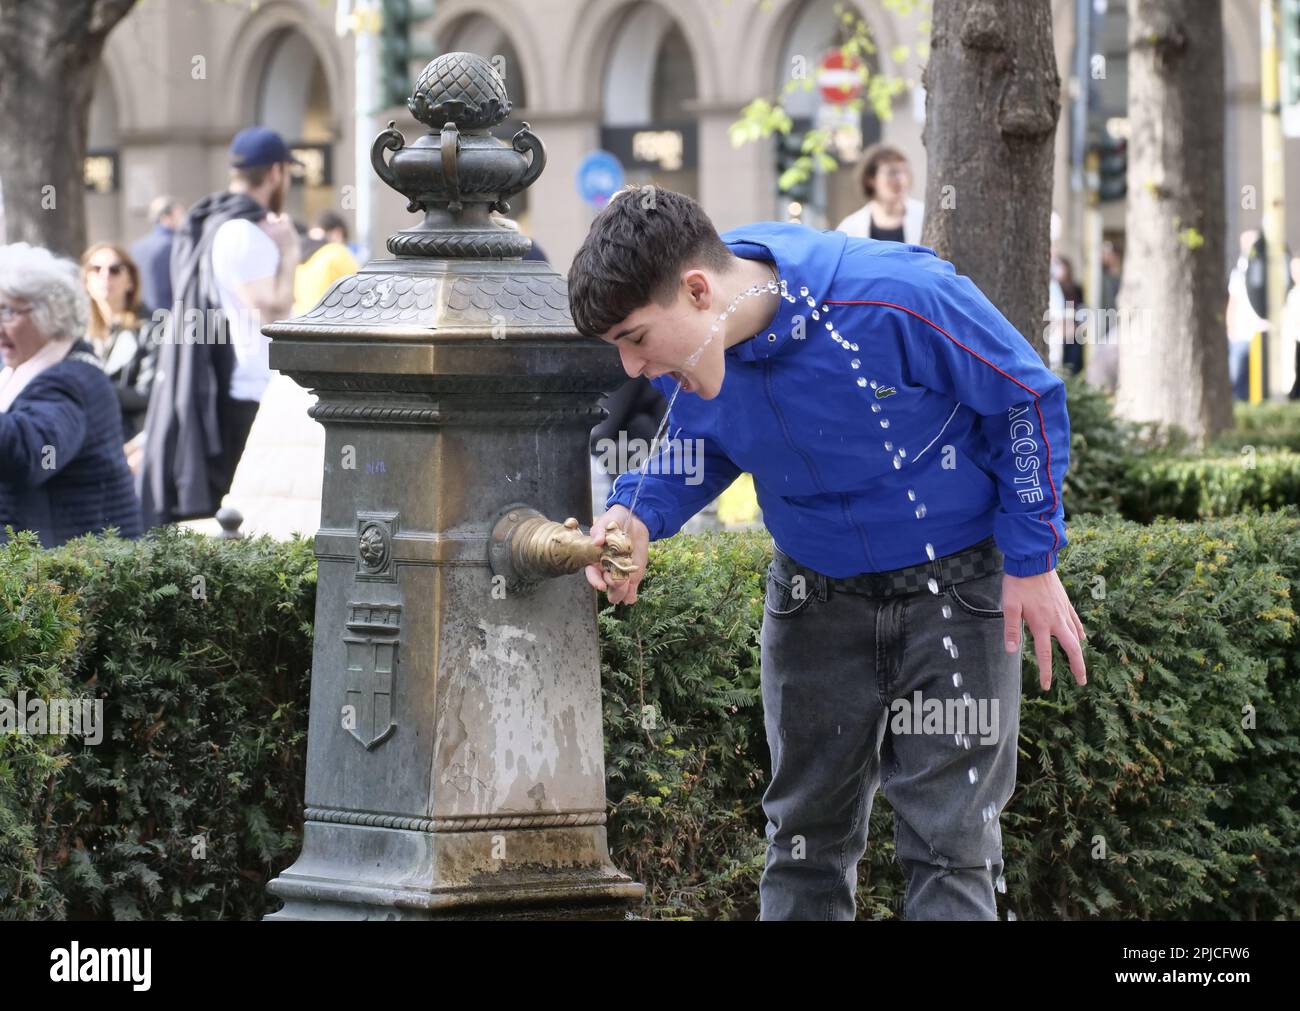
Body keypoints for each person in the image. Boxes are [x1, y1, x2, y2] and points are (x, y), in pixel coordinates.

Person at [568, 187, 1087, 921]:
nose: (629, 368)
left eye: (636, 336)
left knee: (953, 851)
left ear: (697, 290)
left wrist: (1032, 559)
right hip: (815, 604)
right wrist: (636, 512)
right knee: (803, 845)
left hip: (961, 595)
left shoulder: (898, 295)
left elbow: (1024, 398)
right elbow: (702, 443)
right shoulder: (706, 342)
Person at [137, 126, 302, 527]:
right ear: (277, 172)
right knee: (249, 520)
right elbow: (272, 310)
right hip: (249, 391)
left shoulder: (214, 223)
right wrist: (290, 251)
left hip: (229, 388)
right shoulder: (246, 233)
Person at [0, 243, 142, 547]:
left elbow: (32, 452)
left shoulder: (69, 380)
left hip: (73, 581)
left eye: (8, 312)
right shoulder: (35, 367)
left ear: (49, 314)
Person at [80, 242, 158, 445]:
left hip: (131, 438)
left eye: (115, 270)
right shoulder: (76, 329)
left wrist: (94, 389)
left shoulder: (152, 327)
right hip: (84, 437)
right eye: (96, 269)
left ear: (130, 281)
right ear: (86, 279)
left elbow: (149, 394)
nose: (105, 276)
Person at [834, 143, 925, 244]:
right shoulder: (850, 228)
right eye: (892, 172)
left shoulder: (924, 217)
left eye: (904, 171)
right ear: (870, 179)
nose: (901, 180)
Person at [292, 210, 360, 315]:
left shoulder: (300, 258)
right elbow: (360, 289)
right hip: (326, 323)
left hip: (298, 320)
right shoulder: (337, 251)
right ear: (338, 233)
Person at [130, 195, 185, 313]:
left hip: (143, 316)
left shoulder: (136, 247)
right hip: (170, 317)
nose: (183, 220)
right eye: (180, 215)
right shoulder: (177, 246)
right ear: (167, 217)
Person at [1048, 254, 1085, 376]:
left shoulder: (1075, 288)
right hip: (1061, 331)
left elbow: (1080, 308)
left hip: (1073, 331)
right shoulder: (1055, 288)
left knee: (1072, 362)